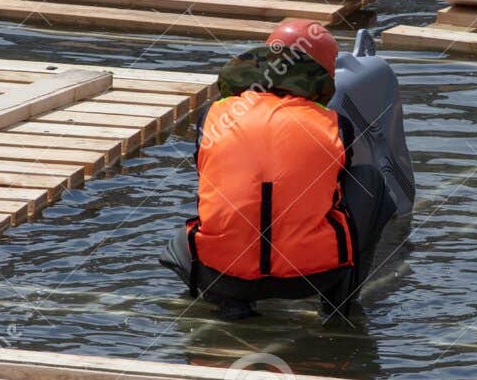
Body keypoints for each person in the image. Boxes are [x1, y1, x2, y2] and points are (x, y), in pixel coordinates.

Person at [161, 19, 396, 320]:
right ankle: (338, 305)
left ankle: (232, 304)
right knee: (369, 180)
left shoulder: (213, 115)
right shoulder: (336, 125)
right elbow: (334, 188)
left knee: (200, 214)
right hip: (310, 278)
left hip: (220, 274)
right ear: (324, 76)